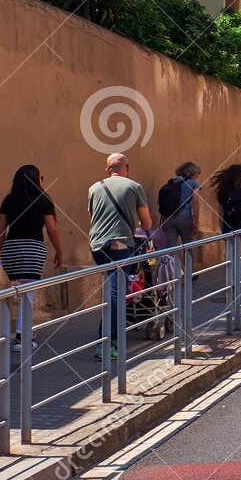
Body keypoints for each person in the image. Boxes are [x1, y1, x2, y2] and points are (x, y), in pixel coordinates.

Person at [87, 153, 152, 359]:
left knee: (111, 289)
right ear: (127, 168)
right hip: (120, 245)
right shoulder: (134, 187)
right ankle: (107, 341)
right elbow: (147, 222)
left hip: (97, 247)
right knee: (117, 293)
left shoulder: (94, 188)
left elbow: (93, 217)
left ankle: (109, 334)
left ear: (107, 169)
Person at [0, 165, 63, 353]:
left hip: (11, 248)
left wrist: (4, 252)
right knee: (28, 294)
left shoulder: (8, 201)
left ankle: (23, 331)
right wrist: (59, 251)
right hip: (33, 248)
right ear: (36, 179)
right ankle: (21, 336)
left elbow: (1, 230)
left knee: (22, 291)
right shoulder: (44, 201)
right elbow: (52, 230)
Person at [210, 164, 241, 282]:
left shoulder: (222, 190)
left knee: (231, 252)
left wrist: (222, 226)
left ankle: (231, 279)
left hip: (229, 224)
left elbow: (221, 209)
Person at [152, 161, 203, 249]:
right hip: (184, 217)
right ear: (193, 173)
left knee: (170, 247)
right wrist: (196, 222)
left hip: (167, 217)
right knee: (188, 246)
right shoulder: (193, 183)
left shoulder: (171, 182)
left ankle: (173, 263)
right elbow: (195, 202)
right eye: (197, 174)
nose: (197, 176)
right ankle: (188, 263)